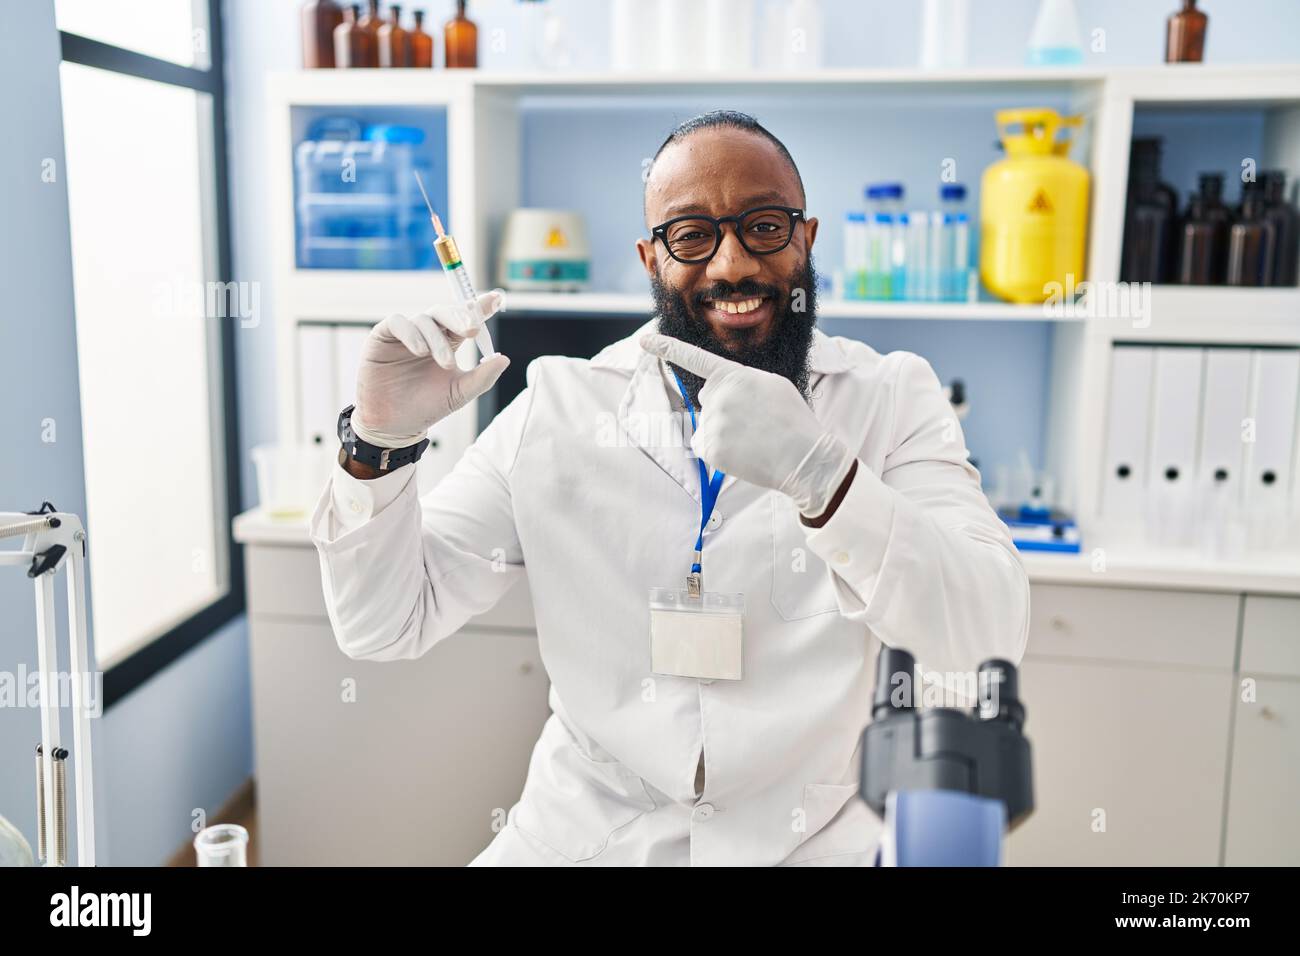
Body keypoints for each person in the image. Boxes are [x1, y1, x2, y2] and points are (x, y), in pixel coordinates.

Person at [310, 110, 1029, 866]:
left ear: (806, 239)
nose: (731, 266)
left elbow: (987, 634)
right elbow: (383, 625)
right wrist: (378, 444)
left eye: (763, 226)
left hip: (808, 845)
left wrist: (827, 479)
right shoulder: (557, 409)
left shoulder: (890, 397)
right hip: (583, 840)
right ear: (651, 259)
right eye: (691, 235)